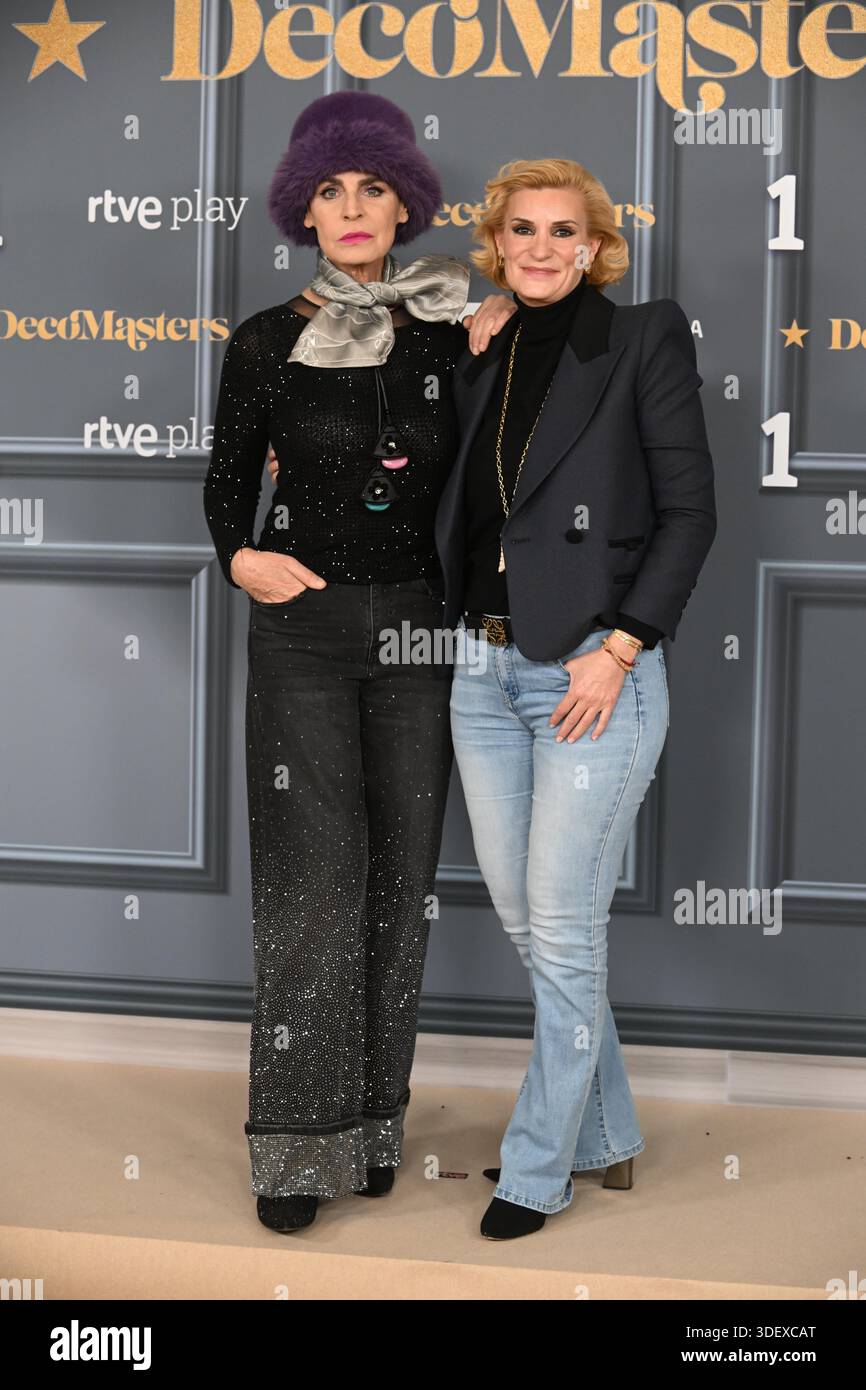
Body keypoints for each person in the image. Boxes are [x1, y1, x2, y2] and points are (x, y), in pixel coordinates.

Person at [202, 91, 512, 1233]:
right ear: (302, 208)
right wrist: (243, 561)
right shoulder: (263, 341)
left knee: (399, 889)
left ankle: (371, 1126)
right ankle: (294, 1148)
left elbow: (504, 473)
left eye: (370, 188)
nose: (349, 208)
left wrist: (496, 335)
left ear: (403, 204)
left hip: (422, 634)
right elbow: (228, 489)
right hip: (305, 633)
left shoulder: (449, 332)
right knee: (309, 891)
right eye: (328, 190)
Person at [434, 157, 717, 1239]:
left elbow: (688, 510)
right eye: (521, 230)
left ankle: (537, 1165)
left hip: (591, 674)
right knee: (533, 925)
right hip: (483, 667)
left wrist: (622, 645)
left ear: (596, 246)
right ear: (494, 245)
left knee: (559, 933)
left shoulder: (641, 335)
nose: (542, 247)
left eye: (564, 231)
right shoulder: (483, 348)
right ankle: (607, 1134)